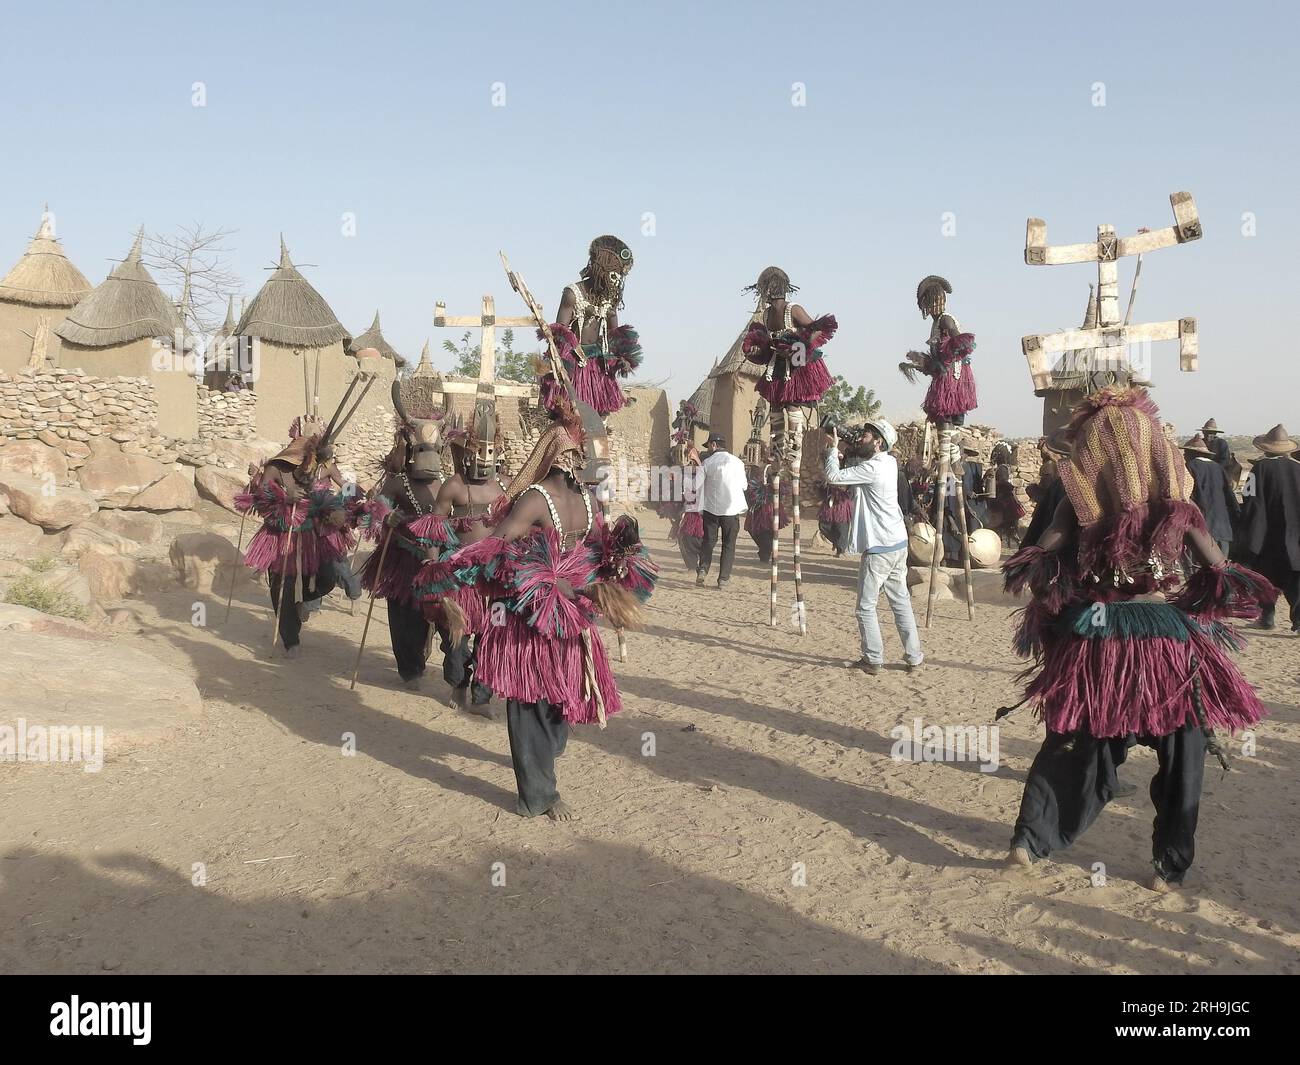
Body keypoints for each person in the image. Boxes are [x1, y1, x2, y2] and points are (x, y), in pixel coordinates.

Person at [1002, 387, 1274, 891]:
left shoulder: (1080, 499)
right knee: (1184, 748)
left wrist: (1036, 565)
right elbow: (1216, 562)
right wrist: (1225, 584)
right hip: (1167, 644)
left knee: (1075, 737)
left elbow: (1051, 544)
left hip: (1098, 640)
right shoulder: (1176, 503)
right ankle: (1168, 867)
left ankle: (1029, 840)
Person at [423, 410, 657, 821]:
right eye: (586, 457)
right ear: (565, 457)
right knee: (529, 702)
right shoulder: (534, 498)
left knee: (564, 694)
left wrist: (618, 563)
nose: (593, 466)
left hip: (572, 615)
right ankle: (538, 794)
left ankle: (544, 763)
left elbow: (596, 547)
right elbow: (497, 543)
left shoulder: (588, 497)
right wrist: (456, 569)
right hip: (530, 614)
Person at [237, 416, 352, 657]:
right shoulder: (276, 468)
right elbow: (260, 498)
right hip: (282, 535)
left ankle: (300, 602)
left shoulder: (325, 466)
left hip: (315, 534)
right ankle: (291, 639)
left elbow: (346, 486)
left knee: (327, 579)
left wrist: (346, 502)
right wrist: (285, 495)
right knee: (283, 588)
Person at [358, 384, 447, 690]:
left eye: (432, 451)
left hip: (432, 560)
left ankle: (420, 654)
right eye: (422, 450)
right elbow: (373, 511)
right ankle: (408, 668)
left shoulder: (444, 485)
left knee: (425, 614)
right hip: (400, 558)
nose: (428, 457)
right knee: (401, 613)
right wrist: (388, 517)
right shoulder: (397, 483)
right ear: (411, 451)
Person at [823, 417, 924, 675]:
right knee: (900, 602)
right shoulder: (889, 462)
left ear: (878, 442)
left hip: (880, 547)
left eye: (867, 436)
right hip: (898, 542)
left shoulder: (873, 468)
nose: (862, 438)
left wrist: (834, 449)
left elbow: (833, 477)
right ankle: (914, 658)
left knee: (865, 606)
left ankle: (873, 658)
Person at [543, 235, 642, 417]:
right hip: (575, 363)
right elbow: (559, 335)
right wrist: (559, 367)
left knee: (599, 418)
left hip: (599, 366)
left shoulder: (609, 299)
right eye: (615, 274)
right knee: (572, 415)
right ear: (602, 269)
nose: (617, 280)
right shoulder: (572, 294)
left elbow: (614, 334)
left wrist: (621, 358)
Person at [1235, 424, 1300, 632]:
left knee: (1266, 579)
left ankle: (1267, 618)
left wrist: (1248, 531)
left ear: (1266, 448)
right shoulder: (1298, 468)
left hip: (1267, 535)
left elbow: (1251, 500)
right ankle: (1299, 622)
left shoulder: (1260, 469)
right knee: (1295, 580)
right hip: (1295, 536)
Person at [899, 275, 977, 426]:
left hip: (953, 376)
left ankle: (947, 449)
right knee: (944, 420)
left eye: (938, 300)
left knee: (945, 417)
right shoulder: (936, 322)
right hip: (945, 374)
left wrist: (944, 361)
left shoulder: (945, 320)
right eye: (932, 301)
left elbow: (962, 345)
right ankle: (951, 448)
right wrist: (920, 361)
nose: (936, 304)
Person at [696, 432, 748, 588]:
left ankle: (703, 569)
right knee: (729, 544)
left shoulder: (707, 463)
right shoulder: (738, 462)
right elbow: (744, 486)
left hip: (711, 509)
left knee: (708, 541)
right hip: (731, 510)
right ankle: (723, 579)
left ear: (713, 445)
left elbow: (697, 486)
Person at [1182, 434, 1239, 557]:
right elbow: (1230, 496)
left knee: (1197, 570)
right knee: (1222, 569)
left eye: (1186, 453)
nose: (1184, 456)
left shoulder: (1189, 467)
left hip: (1201, 530)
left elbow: (1187, 497)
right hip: (1223, 529)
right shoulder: (1218, 468)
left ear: (1192, 453)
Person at [1022, 432, 1071, 548]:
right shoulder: (1067, 468)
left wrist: (1034, 490)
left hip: (1052, 502)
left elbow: (1046, 487)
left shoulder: (1049, 466)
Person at [983, 441, 1026, 549]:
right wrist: (1010, 487)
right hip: (1004, 500)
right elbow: (1003, 483)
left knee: (1003, 524)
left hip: (999, 499)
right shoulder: (1003, 469)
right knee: (1010, 523)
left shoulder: (996, 469)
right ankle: (1013, 542)